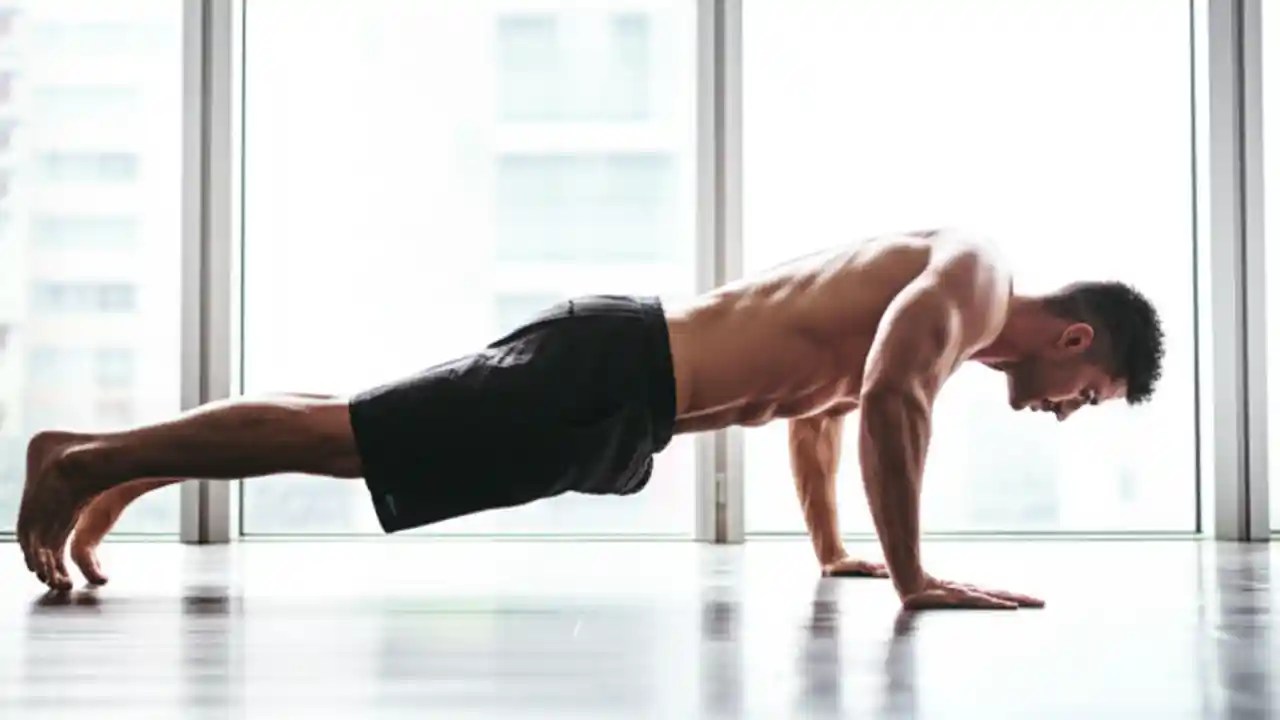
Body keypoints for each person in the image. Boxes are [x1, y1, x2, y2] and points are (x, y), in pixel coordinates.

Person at [16, 228, 1164, 608]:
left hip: (616, 390)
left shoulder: (948, 314)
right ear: (1076, 342)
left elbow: (824, 412)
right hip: (611, 370)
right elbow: (891, 404)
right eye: (1089, 396)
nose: (1068, 415)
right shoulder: (972, 280)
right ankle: (80, 462)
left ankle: (127, 469)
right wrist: (916, 579)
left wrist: (831, 551)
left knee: (348, 431)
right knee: (348, 440)